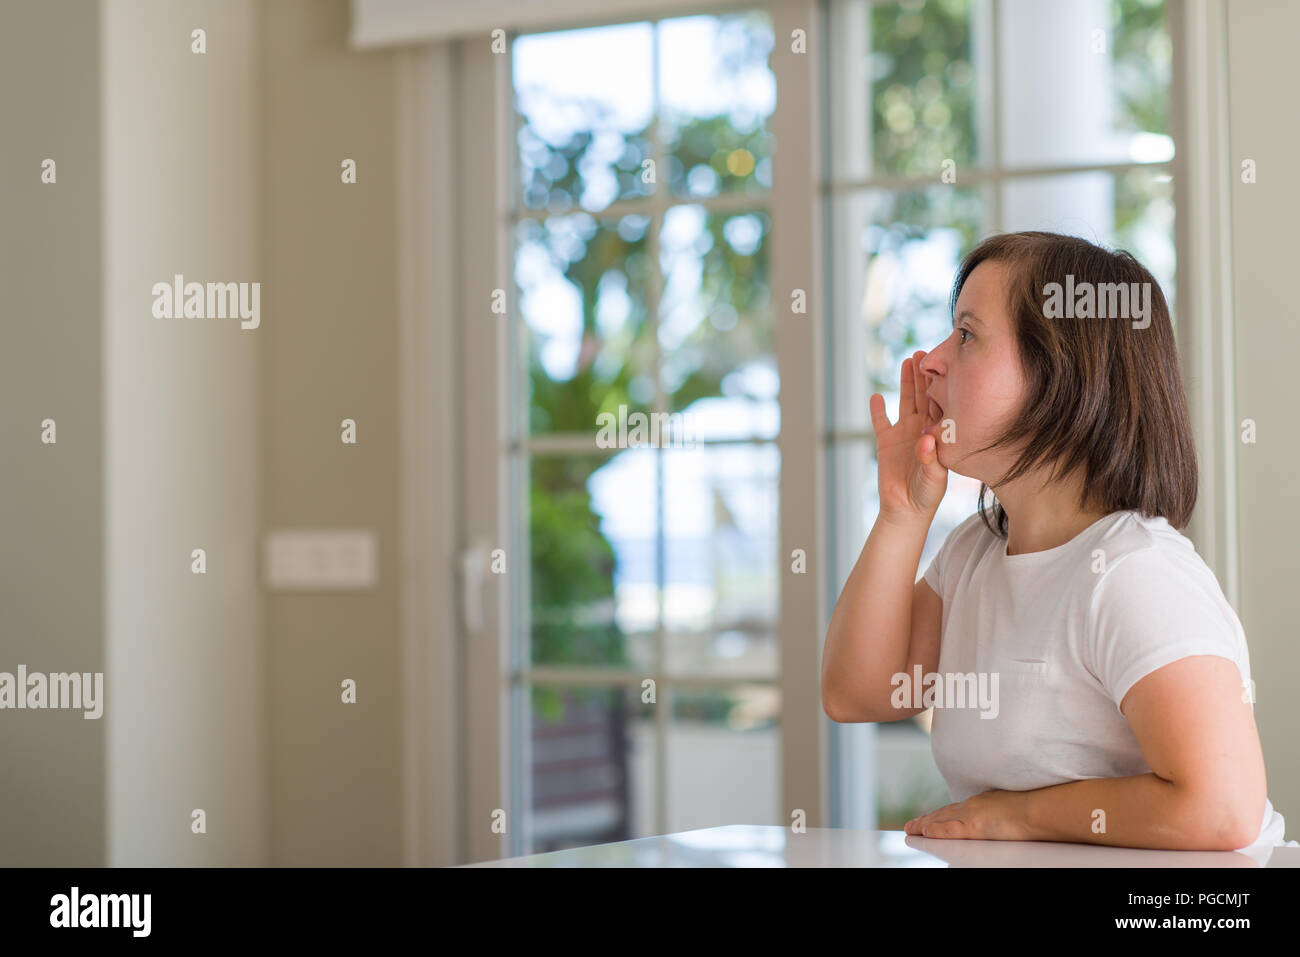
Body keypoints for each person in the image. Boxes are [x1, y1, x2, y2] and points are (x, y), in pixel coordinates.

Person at [822, 230, 1294, 859]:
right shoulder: (975, 554)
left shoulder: (1135, 573)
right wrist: (901, 513)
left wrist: (1012, 818)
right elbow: (857, 692)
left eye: (966, 334)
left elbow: (1221, 810)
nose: (930, 359)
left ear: (1061, 378)